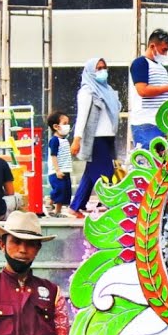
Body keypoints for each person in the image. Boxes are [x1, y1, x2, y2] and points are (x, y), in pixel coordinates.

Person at [69, 57, 121, 218]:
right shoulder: (87, 91)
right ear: (90, 71)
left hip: (108, 137)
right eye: (98, 68)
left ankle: (75, 207)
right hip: (96, 139)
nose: (102, 71)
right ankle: (112, 205)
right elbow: (82, 117)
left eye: (104, 67)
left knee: (90, 174)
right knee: (106, 173)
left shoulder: (108, 90)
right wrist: (76, 139)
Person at [129, 29, 168, 149]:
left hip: (161, 122)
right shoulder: (140, 63)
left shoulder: (160, 67)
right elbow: (143, 91)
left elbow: (161, 90)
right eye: (164, 50)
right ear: (152, 46)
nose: (165, 54)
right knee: (149, 157)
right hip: (145, 123)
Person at [44, 111, 73, 217]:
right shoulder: (54, 140)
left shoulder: (64, 140)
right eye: (64, 123)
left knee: (65, 191)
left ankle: (57, 211)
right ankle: (50, 201)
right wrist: (57, 170)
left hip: (65, 170)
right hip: (56, 172)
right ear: (56, 126)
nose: (67, 126)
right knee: (59, 190)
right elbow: (53, 156)